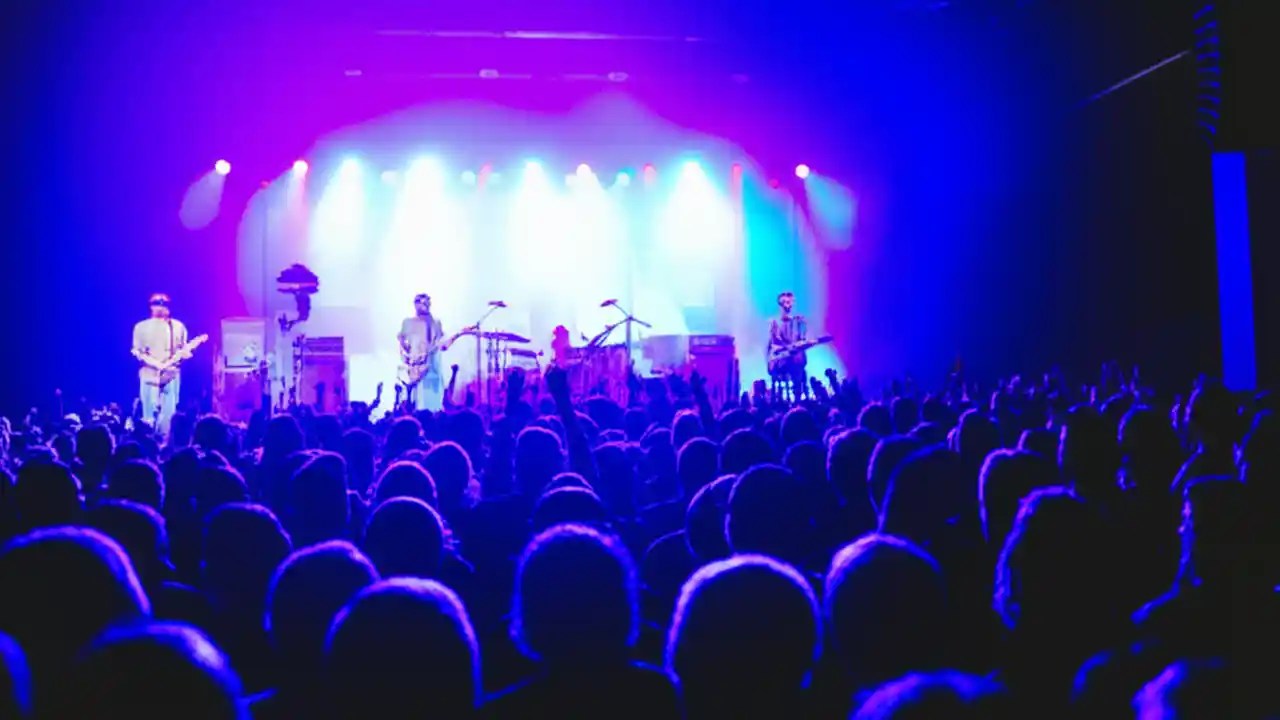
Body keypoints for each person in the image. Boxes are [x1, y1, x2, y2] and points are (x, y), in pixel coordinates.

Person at [131, 293, 191, 438]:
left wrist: (183, 356)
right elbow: (137, 351)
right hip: (149, 372)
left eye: (164, 304)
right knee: (149, 412)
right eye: (157, 304)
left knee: (168, 413)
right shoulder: (141, 327)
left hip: (171, 373)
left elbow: (183, 349)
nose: (161, 307)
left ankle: (165, 440)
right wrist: (156, 364)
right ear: (150, 306)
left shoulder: (178, 326)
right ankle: (148, 441)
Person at [397, 293, 456, 413]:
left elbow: (441, 341)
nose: (425, 306)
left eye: (427, 303)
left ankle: (435, 414)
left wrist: (453, 338)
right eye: (421, 303)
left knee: (434, 393)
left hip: (433, 363)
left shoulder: (435, 322)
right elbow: (401, 339)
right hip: (417, 363)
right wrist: (406, 354)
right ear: (415, 304)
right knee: (418, 394)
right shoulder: (408, 322)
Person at [767, 291, 809, 401]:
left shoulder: (799, 321)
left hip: (795, 358)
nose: (787, 305)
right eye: (785, 302)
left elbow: (802, 339)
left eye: (789, 302)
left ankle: (798, 399)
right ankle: (779, 399)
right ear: (780, 304)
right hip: (781, 358)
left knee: (798, 370)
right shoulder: (775, 322)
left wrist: (797, 348)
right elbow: (774, 342)